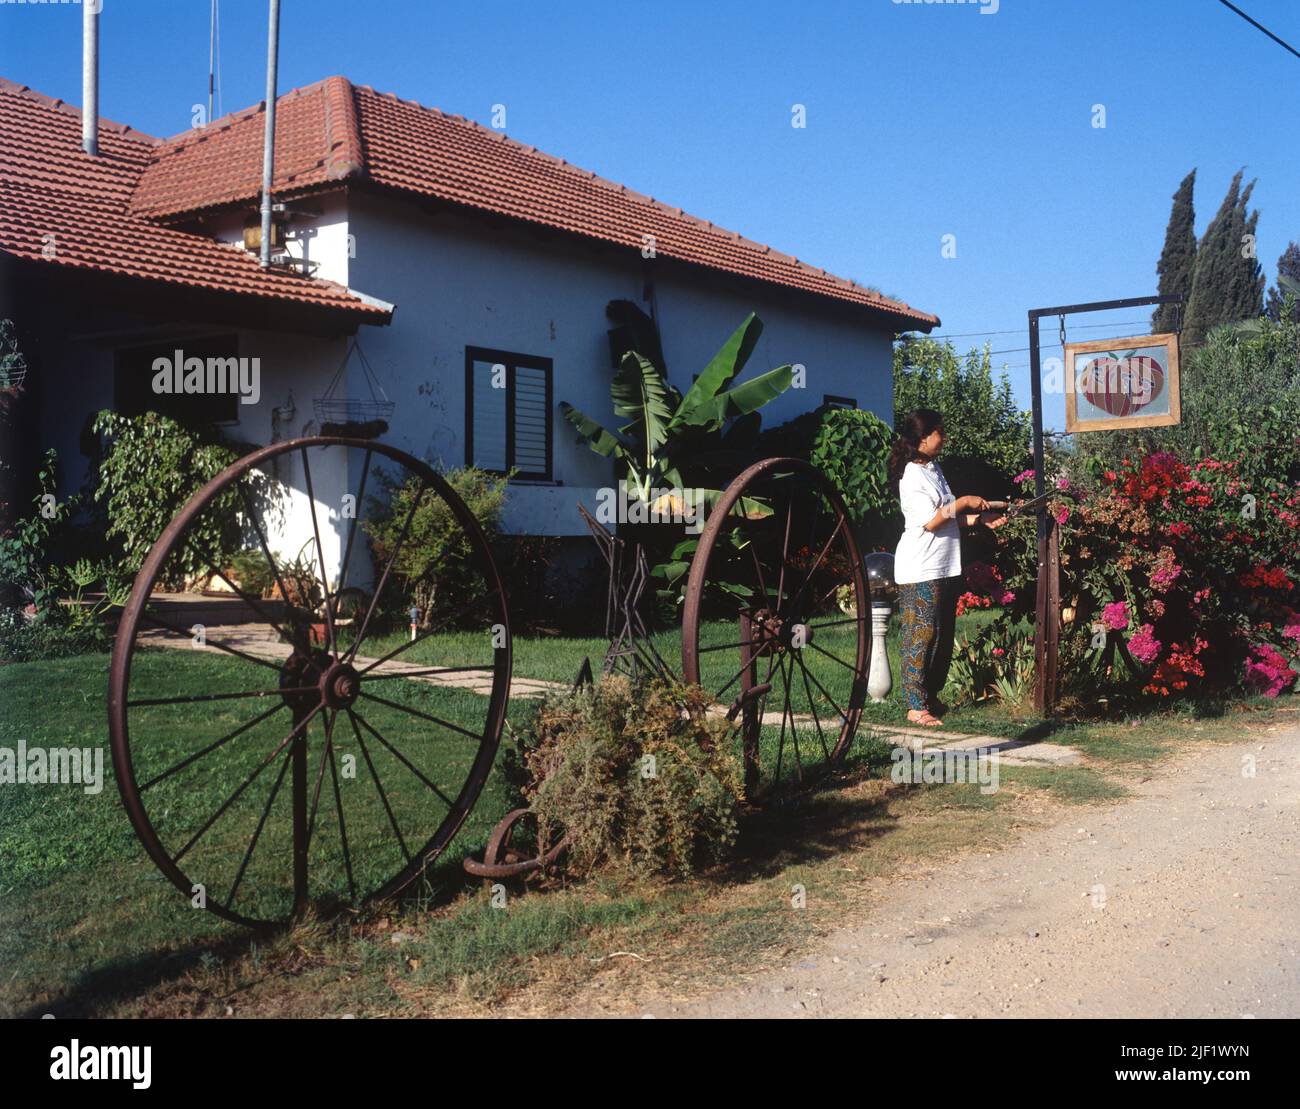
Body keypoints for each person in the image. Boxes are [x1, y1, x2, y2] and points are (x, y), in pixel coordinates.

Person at [888, 409, 1006, 727]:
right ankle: (915, 706)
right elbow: (931, 521)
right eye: (939, 431)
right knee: (920, 636)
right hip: (920, 567)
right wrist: (964, 501)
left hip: (945, 564)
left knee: (941, 636)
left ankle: (930, 698)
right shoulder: (911, 474)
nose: (944, 437)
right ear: (923, 438)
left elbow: (950, 518)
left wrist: (981, 520)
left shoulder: (933, 469)